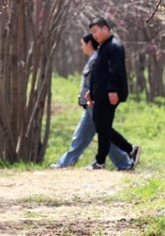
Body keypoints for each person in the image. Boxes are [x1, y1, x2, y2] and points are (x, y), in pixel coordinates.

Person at [50, 34, 133, 170]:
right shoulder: (94, 58)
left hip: (94, 103)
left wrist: (93, 97)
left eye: (82, 43)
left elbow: (97, 82)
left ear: (89, 43)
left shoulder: (97, 58)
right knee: (85, 135)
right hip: (90, 104)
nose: (81, 46)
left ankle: (125, 161)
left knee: (103, 134)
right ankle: (67, 162)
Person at [85, 17, 141, 170]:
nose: (94, 35)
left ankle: (100, 162)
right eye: (92, 32)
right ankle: (130, 149)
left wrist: (113, 91)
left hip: (109, 94)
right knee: (102, 126)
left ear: (105, 29)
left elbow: (115, 71)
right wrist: (91, 91)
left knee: (102, 126)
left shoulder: (115, 46)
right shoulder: (103, 46)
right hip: (100, 92)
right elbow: (98, 71)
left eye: (96, 31)